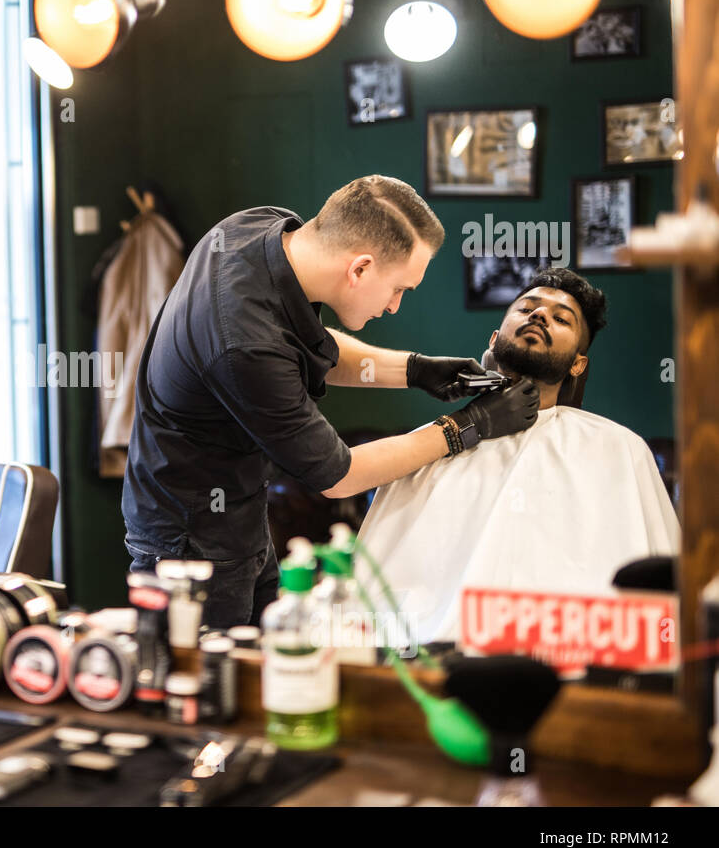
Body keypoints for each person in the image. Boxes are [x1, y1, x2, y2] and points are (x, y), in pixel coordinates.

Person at [122, 175, 541, 628]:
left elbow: (305, 347)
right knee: (214, 689)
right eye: (399, 288)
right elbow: (340, 475)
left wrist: (415, 370)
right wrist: (466, 427)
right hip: (192, 545)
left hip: (237, 513)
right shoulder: (244, 345)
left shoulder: (257, 227)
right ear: (359, 268)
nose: (396, 306)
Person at [355, 268, 680, 645]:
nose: (539, 316)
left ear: (578, 363)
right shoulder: (428, 445)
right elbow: (369, 588)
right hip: (431, 657)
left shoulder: (621, 450)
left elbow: (666, 607)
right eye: (527, 309)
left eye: (561, 319)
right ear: (494, 340)